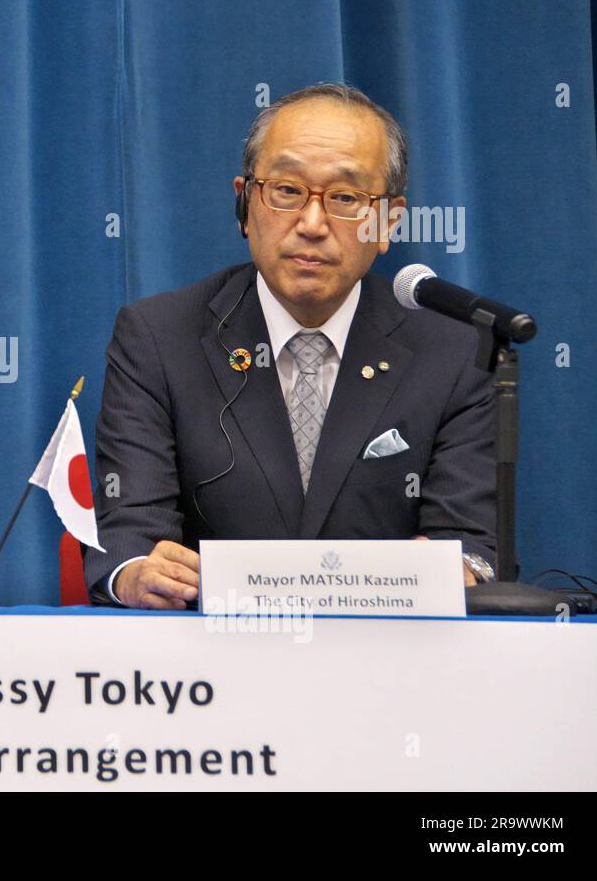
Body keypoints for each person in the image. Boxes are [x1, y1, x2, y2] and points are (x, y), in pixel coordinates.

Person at [87, 83, 495, 608]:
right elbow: (128, 532)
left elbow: (467, 543)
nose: (312, 224)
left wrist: (455, 567)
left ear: (388, 222)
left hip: (389, 658)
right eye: (285, 190)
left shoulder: (454, 353)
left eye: (346, 198)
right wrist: (136, 573)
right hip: (209, 659)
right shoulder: (159, 337)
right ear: (245, 203)